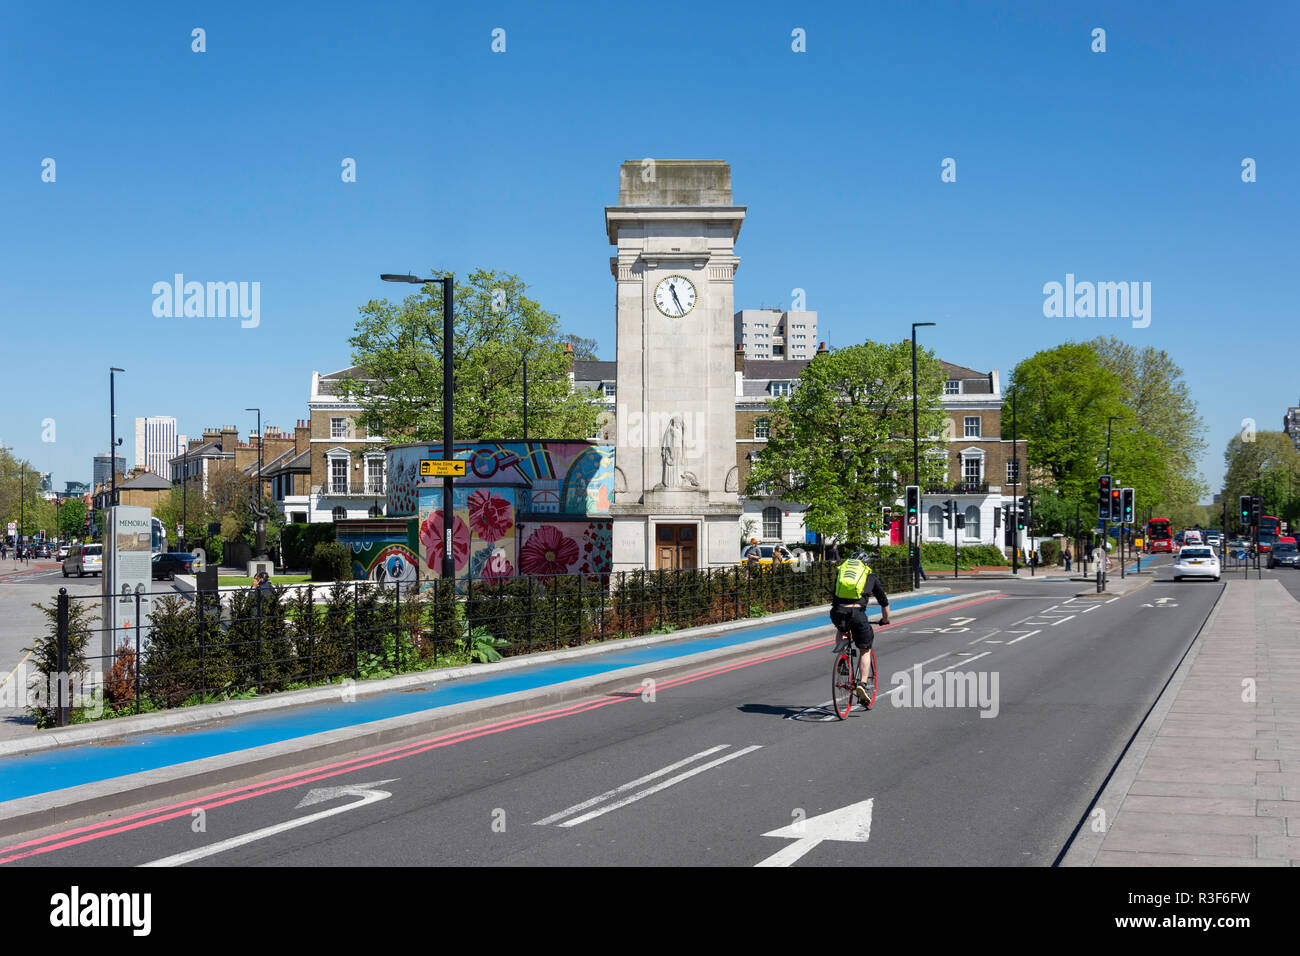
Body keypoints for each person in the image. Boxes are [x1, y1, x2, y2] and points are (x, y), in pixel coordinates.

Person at [830, 551, 890, 707]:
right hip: (857, 613)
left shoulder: (842, 573)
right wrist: (885, 620)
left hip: (838, 612)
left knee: (841, 629)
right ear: (866, 564)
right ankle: (862, 685)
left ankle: (842, 659)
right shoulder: (869, 576)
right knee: (865, 650)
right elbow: (884, 602)